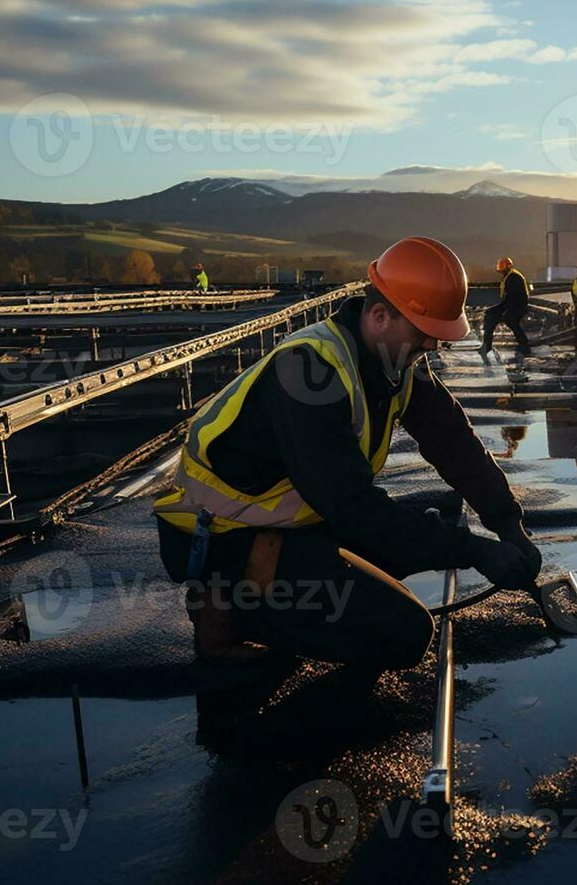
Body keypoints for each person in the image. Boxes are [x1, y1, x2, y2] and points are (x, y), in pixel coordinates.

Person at [153, 237, 544, 667]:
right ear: (379, 316)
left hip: (293, 524)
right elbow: (355, 510)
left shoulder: (395, 360)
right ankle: (232, 611)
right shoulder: (309, 374)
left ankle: (300, 604)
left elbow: (452, 442)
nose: (431, 348)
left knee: (435, 518)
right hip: (225, 542)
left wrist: (506, 522)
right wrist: (477, 552)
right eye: (424, 334)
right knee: (403, 633)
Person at [480, 257, 531, 359]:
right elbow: (507, 299)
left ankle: (524, 346)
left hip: (517, 306)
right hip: (514, 305)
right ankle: (487, 346)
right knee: (494, 317)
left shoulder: (513, 278)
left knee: (509, 320)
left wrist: (502, 310)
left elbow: (511, 299)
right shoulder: (509, 276)